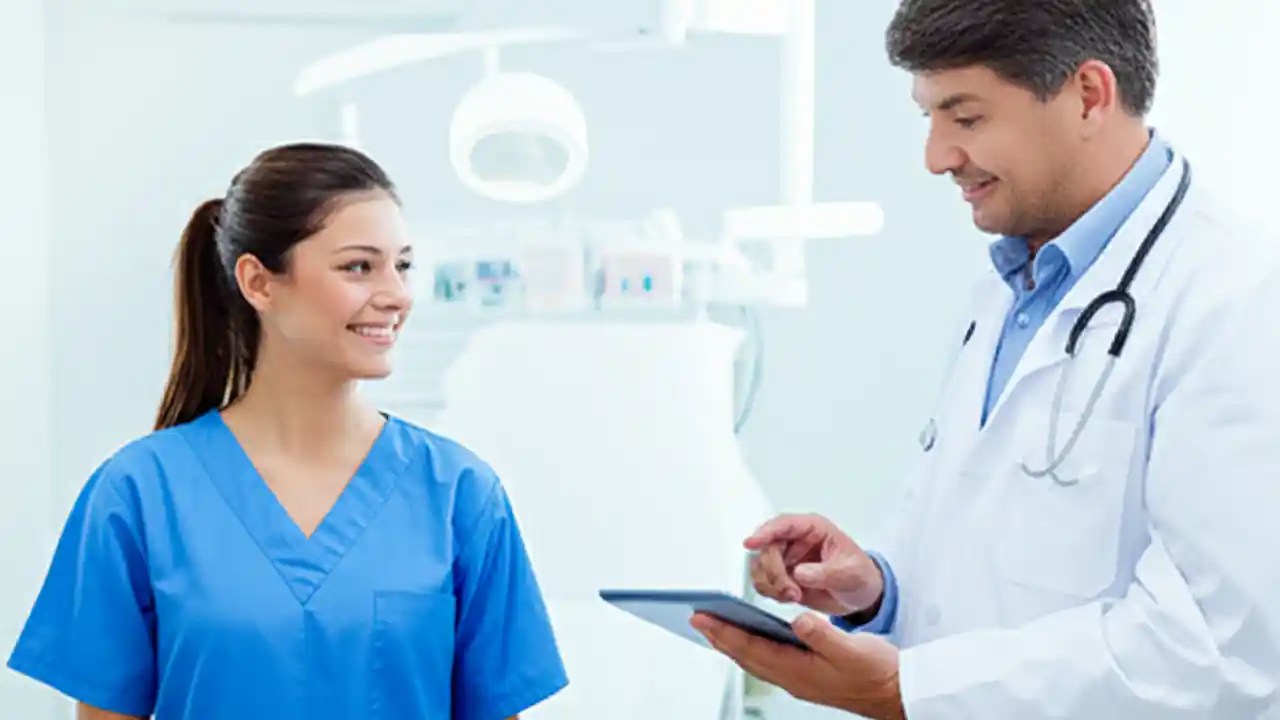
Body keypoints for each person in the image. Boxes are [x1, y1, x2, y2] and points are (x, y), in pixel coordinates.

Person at [690, 1, 1280, 718]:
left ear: (1088, 95)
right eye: (929, 119)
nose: (936, 156)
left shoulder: (1236, 300)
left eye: (965, 119)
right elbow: (998, 570)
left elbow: (1218, 650)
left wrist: (907, 690)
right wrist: (877, 590)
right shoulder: (1012, 284)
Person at [7, 143, 568, 719]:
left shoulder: (460, 496)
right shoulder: (139, 494)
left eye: (402, 265)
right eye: (358, 266)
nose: (397, 295)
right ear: (259, 283)